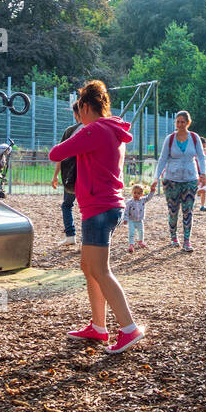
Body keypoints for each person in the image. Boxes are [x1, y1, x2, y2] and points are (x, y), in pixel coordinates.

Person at [50, 80, 144, 354]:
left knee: (100, 270)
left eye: (79, 111)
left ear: (86, 107)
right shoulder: (112, 130)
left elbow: (56, 152)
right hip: (103, 206)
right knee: (88, 267)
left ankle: (129, 328)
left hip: (100, 208)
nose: (78, 117)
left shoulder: (96, 130)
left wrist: (80, 130)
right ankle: (99, 327)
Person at [154, 110, 206, 253]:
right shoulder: (169, 139)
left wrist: (204, 173)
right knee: (173, 210)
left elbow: (201, 157)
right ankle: (173, 237)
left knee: (188, 210)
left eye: (183, 122)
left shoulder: (194, 138)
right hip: (171, 179)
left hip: (190, 179)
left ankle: (187, 241)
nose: (180, 124)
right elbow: (163, 159)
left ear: (188, 123)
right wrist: (156, 177)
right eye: (178, 122)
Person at [50, 99, 82, 246]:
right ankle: (89, 239)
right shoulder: (97, 129)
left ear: (76, 113)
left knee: (67, 205)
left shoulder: (70, 131)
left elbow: (60, 155)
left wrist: (56, 175)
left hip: (72, 177)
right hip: (88, 176)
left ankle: (71, 235)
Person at [124, 181, 158, 252]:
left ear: (142, 194)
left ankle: (140, 241)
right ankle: (131, 244)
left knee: (141, 232)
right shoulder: (129, 202)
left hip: (140, 221)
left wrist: (152, 191)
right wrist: (126, 219)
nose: (136, 194)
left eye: (138, 193)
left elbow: (149, 197)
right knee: (131, 233)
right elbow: (126, 211)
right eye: (134, 193)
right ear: (132, 193)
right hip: (131, 220)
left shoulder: (143, 200)